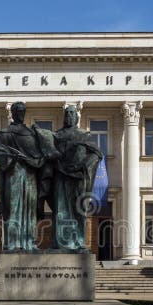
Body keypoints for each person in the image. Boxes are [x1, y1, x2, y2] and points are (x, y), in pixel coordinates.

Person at [0, 102, 59, 251]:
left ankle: (30, 242)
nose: (20, 114)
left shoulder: (31, 134)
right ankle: (12, 243)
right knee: (14, 208)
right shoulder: (5, 133)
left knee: (30, 209)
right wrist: (12, 158)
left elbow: (40, 155)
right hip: (13, 175)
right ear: (13, 113)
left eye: (23, 111)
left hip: (30, 177)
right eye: (18, 111)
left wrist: (36, 161)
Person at [49, 104, 103, 251]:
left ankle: (78, 241)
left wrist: (85, 165)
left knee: (78, 209)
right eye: (67, 114)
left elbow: (96, 154)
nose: (69, 116)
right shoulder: (56, 135)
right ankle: (60, 243)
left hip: (78, 177)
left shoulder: (84, 135)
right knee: (60, 209)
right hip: (61, 176)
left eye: (72, 114)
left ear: (77, 118)